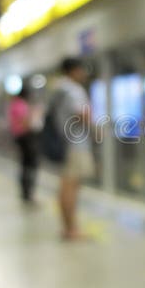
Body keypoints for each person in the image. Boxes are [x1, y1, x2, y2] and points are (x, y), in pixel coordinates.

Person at [51, 58, 94, 240]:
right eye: (82, 70)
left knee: (66, 185)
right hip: (75, 144)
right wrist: (95, 127)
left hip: (64, 142)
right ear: (74, 71)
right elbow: (82, 114)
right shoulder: (74, 90)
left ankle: (68, 227)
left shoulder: (58, 89)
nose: (84, 74)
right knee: (71, 186)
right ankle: (71, 229)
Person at [8, 84, 40, 205]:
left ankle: (25, 192)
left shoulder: (14, 104)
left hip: (19, 137)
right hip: (26, 137)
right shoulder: (21, 105)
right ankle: (28, 193)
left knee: (24, 164)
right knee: (30, 165)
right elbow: (26, 122)